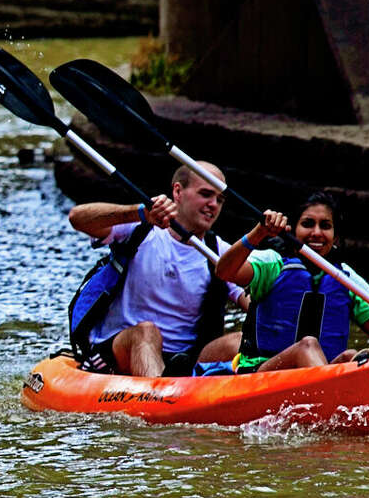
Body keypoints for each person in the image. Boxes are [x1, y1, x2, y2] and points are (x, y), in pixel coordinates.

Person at [65, 162, 247, 378]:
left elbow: (255, 300)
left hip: (185, 360)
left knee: (239, 341)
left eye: (219, 199)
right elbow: (77, 218)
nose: (213, 205)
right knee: (146, 332)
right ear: (178, 191)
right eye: (206, 194)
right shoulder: (141, 230)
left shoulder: (221, 254)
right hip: (120, 350)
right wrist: (140, 212)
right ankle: (163, 398)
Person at [211, 191, 369, 372]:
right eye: (307, 224)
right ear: (293, 230)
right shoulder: (272, 262)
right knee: (307, 346)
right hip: (261, 374)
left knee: (353, 356)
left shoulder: (347, 279)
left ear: (335, 236)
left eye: (325, 226)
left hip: (315, 375)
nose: (316, 233)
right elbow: (225, 272)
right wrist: (259, 233)